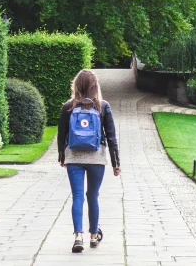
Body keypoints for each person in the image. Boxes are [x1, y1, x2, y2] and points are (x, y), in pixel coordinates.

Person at [57, 69, 120, 253]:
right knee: (93, 196)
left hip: (74, 156)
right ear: (95, 86)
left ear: (76, 85)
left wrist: (62, 156)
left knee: (77, 196)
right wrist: (116, 163)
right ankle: (93, 236)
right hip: (96, 157)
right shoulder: (103, 106)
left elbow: (61, 135)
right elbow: (111, 137)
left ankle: (78, 236)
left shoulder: (68, 107)